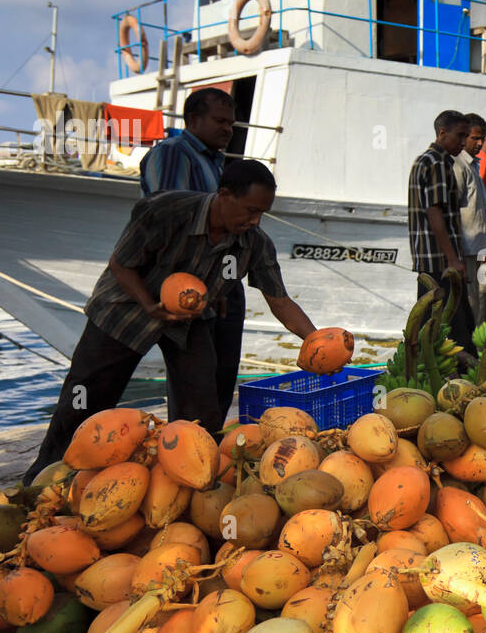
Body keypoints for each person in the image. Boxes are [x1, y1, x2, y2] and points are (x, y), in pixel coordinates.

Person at [24, 160, 319, 479]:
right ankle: (43, 478)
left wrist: (318, 341)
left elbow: (280, 300)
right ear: (224, 194)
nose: (255, 220)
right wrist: (150, 304)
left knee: (202, 406)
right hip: (126, 308)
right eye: (250, 210)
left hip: (190, 319)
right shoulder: (166, 212)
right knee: (84, 397)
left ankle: (188, 476)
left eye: (262, 213)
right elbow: (121, 264)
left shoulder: (255, 244)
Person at [138, 87, 245, 427]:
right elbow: (168, 225)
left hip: (219, 287)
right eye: (219, 121)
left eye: (231, 122)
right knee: (194, 385)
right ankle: (187, 453)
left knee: (220, 376)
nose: (228, 129)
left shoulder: (214, 162)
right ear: (193, 119)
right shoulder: (173, 154)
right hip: (189, 288)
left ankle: (209, 448)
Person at [407, 110, 477, 356]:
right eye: (460, 135)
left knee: (430, 323)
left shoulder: (425, 160)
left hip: (428, 257)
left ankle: (427, 370)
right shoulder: (437, 163)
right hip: (439, 260)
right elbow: (435, 211)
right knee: (456, 328)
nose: (463, 142)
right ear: (442, 133)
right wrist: (453, 259)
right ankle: (464, 378)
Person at [455, 113, 486, 324]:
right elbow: (454, 210)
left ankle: (480, 342)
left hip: (483, 245)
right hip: (468, 248)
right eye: (474, 138)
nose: (480, 143)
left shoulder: (474, 164)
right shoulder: (459, 166)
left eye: (482, 139)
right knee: (471, 301)